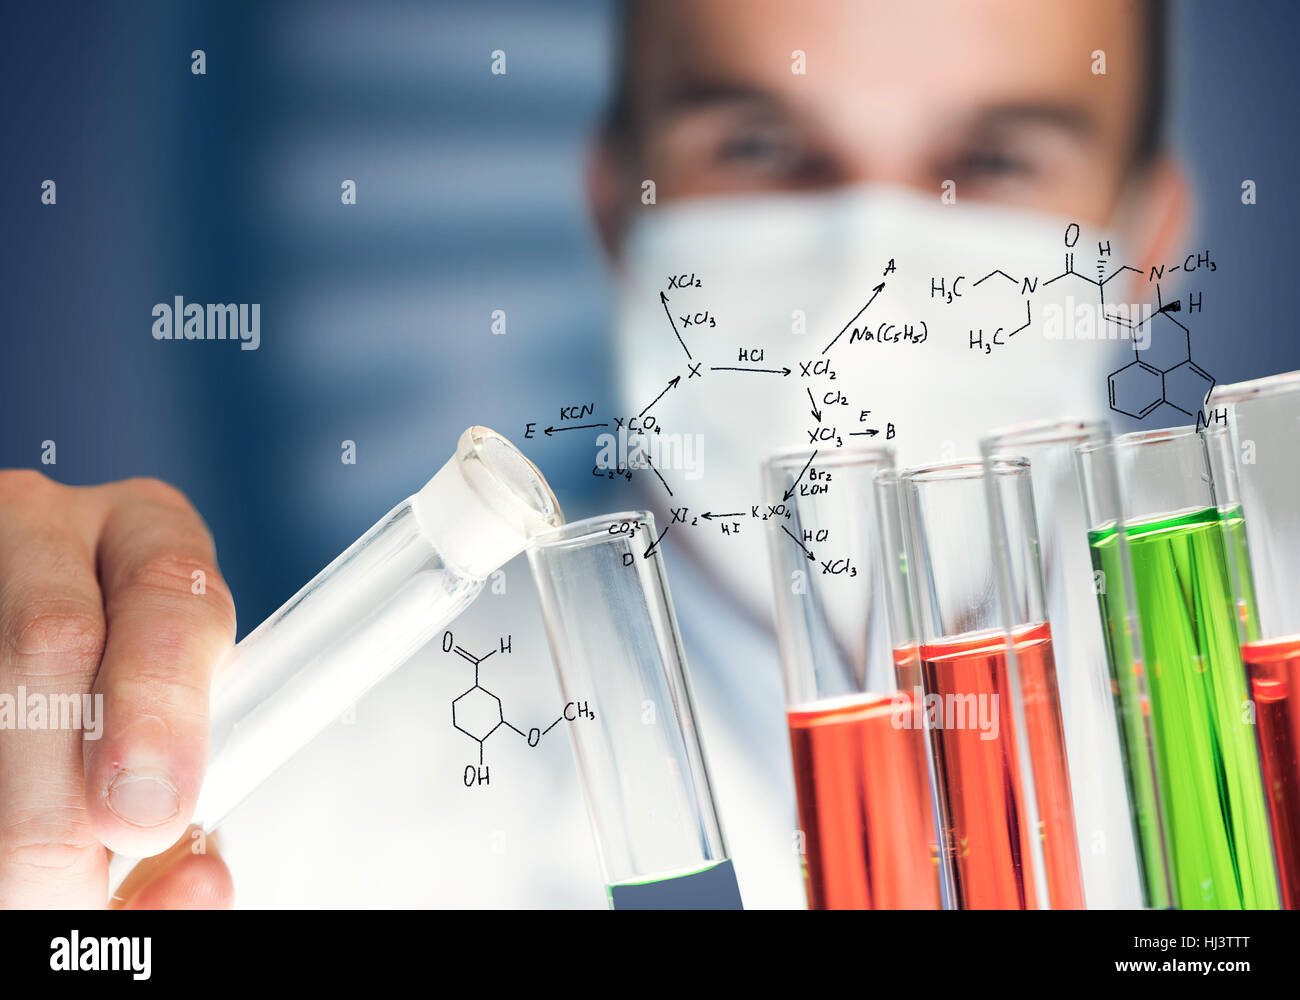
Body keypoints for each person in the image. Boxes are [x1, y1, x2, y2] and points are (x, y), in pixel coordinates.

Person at [0, 0, 1188, 908]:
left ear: (1148, 247)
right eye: (766, 148)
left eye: (992, 165)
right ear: (616, 207)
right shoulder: (291, 810)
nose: (867, 269)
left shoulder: (1243, 662)